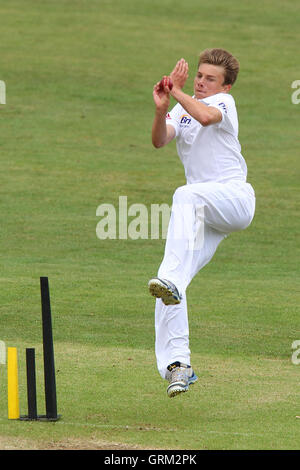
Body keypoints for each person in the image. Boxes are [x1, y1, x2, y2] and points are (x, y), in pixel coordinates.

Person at [148, 49, 256, 398]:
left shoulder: (225, 104)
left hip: (234, 200)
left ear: (225, 86)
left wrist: (177, 91)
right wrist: (162, 108)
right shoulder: (182, 109)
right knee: (168, 279)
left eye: (209, 78)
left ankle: (173, 285)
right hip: (204, 214)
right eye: (199, 76)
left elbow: (207, 117)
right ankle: (178, 367)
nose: (200, 81)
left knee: (185, 194)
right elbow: (159, 140)